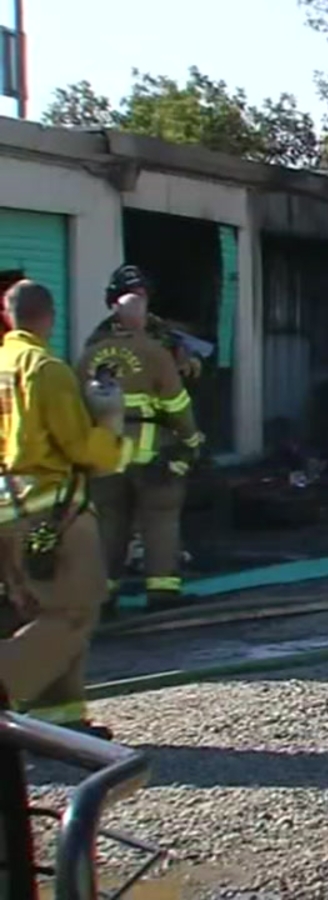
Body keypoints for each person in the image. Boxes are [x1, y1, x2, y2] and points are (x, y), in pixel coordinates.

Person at [0, 281, 126, 738]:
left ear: (7, 314)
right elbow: (79, 448)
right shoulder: (46, 369)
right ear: (49, 317)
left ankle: (61, 722)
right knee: (75, 610)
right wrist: (109, 423)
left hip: (7, 511)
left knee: (37, 610)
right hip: (53, 512)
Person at [78, 291, 205, 613]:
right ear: (144, 316)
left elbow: (76, 407)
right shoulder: (155, 352)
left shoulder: (89, 354)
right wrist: (191, 441)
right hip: (151, 454)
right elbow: (177, 406)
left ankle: (103, 596)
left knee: (108, 522)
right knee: (160, 518)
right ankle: (162, 592)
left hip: (104, 454)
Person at [92, 264, 202, 381]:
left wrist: (185, 361)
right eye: (130, 295)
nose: (136, 302)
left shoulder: (156, 326)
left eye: (141, 296)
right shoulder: (103, 336)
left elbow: (184, 357)